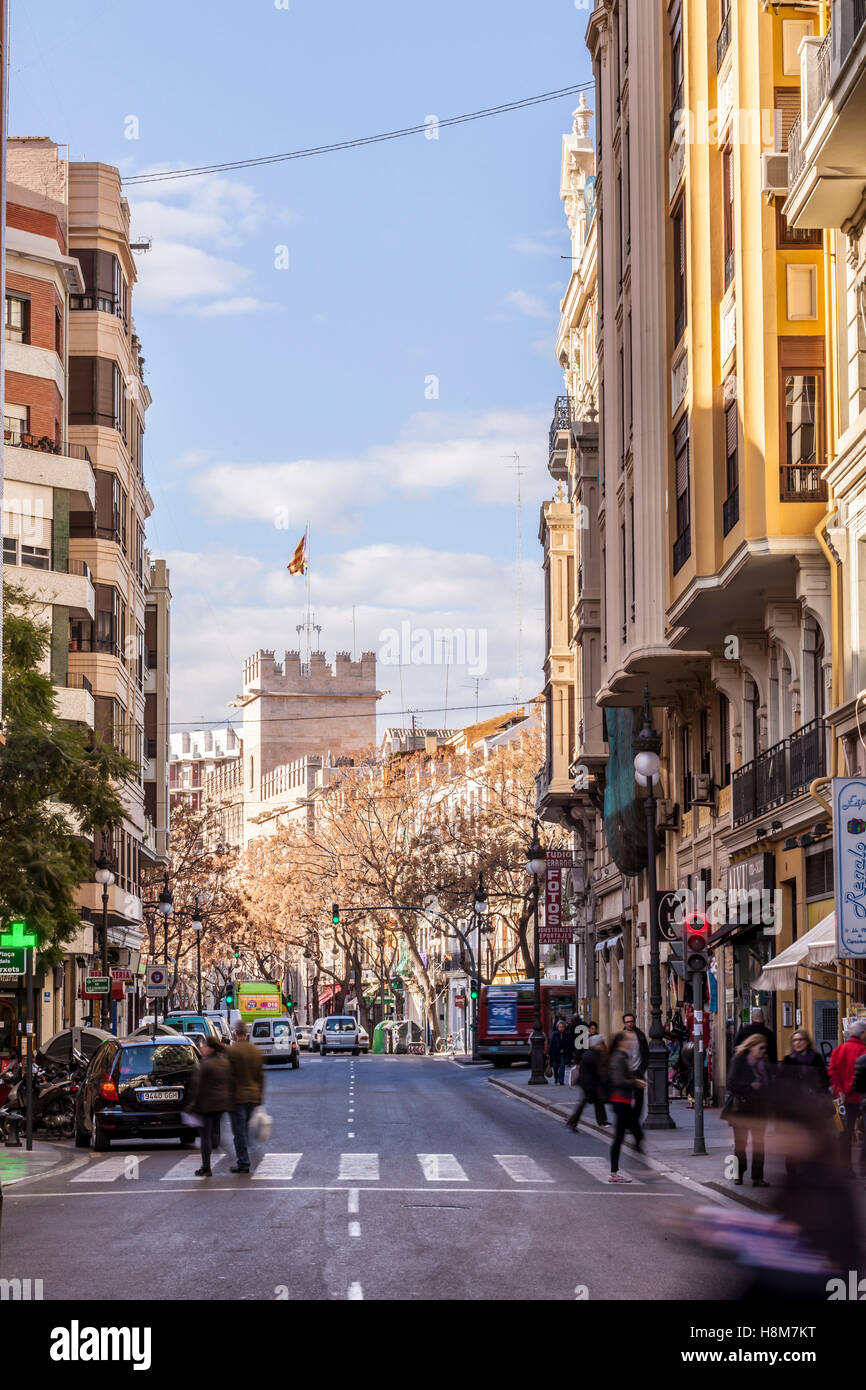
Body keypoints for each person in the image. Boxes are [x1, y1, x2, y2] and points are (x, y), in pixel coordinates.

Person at [724, 1034, 772, 1187]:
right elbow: (731, 1084)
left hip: (759, 1109)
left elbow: (770, 1083)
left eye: (765, 1048)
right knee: (741, 1144)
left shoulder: (765, 1062)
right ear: (752, 1046)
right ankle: (738, 1174)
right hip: (742, 1109)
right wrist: (750, 1086)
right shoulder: (739, 1060)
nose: (764, 1051)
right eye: (761, 1047)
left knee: (759, 1144)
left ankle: (758, 1177)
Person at [185, 1037, 232, 1177]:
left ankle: (206, 1167)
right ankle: (229, 1153)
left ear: (211, 1048)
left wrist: (191, 1106)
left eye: (204, 1046)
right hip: (221, 1104)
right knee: (215, 1133)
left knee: (205, 1137)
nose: (202, 1049)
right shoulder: (225, 1063)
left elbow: (197, 1087)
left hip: (206, 1105)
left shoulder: (205, 1065)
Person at [828, 1018, 866, 1177]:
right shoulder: (863, 1051)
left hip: (840, 1100)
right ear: (863, 1034)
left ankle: (844, 1168)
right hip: (859, 1099)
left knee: (843, 1133)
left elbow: (831, 1072)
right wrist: (850, 1089)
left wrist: (840, 1090)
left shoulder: (838, 1050)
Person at [227, 1020, 265, 1174]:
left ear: (236, 1033)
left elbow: (228, 1075)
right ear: (247, 1034)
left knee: (239, 1131)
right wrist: (259, 1096)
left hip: (237, 1097)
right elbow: (260, 1076)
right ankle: (248, 1149)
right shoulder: (255, 1051)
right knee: (245, 1127)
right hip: (253, 1096)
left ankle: (243, 1161)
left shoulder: (232, 1051)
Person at [607, 1031, 645, 1182]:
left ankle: (638, 1162)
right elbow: (618, 1080)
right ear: (621, 1042)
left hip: (624, 1101)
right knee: (620, 1137)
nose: (631, 1043)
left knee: (635, 1132)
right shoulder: (619, 1058)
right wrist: (636, 1082)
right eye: (628, 1040)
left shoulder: (622, 1057)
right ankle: (614, 1173)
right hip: (620, 1101)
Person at [565, 1033, 609, 1130]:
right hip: (590, 1084)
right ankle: (573, 1121)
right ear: (596, 1044)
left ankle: (601, 1120)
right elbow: (598, 1071)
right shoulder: (593, 1055)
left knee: (595, 1101)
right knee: (586, 1102)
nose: (602, 1045)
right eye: (600, 1044)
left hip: (588, 1083)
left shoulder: (590, 1053)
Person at [622, 1012, 649, 1119]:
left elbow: (646, 1054)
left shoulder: (640, 1035)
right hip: (625, 1073)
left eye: (631, 1021)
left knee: (639, 1100)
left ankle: (634, 1121)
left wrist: (642, 1069)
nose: (629, 1024)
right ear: (624, 1023)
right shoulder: (621, 1037)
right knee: (626, 1100)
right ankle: (629, 1123)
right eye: (627, 1022)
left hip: (638, 1072)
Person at [547, 1019, 573, 1085]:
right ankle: (556, 1078)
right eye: (560, 1027)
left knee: (562, 1066)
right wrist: (548, 1052)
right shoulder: (554, 1034)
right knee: (555, 1067)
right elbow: (551, 1043)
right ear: (557, 1027)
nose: (561, 1028)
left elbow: (571, 1043)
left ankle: (561, 1081)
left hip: (563, 1053)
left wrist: (572, 1051)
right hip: (555, 1053)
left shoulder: (567, 1034)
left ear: (564, 1027)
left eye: (562, 1027)